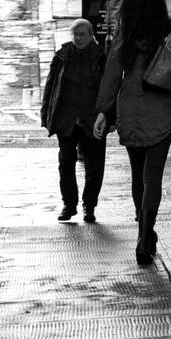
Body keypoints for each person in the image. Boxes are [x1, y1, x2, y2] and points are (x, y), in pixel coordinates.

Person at [94, 0, 171, 266]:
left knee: (137, 176)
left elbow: (111, 73)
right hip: (163, 109)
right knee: (153, 176)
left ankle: (143, 235)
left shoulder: (126, 31)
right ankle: (146, 236)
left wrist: (104, 111)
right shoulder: (170, 30)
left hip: (131, 109)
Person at [41, 19, 107, 223]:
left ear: (90, 35)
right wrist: (46, 115)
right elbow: (50, 87)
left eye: (82, 34)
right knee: (65, 163)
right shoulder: (62, 56)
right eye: (75, 34)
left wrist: (109, 117)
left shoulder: (100, 57)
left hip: (92, 119)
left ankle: (89, 205)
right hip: (67, 119)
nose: (78, 38)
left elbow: (109, 89)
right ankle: (69, 204)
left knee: (94, 166)